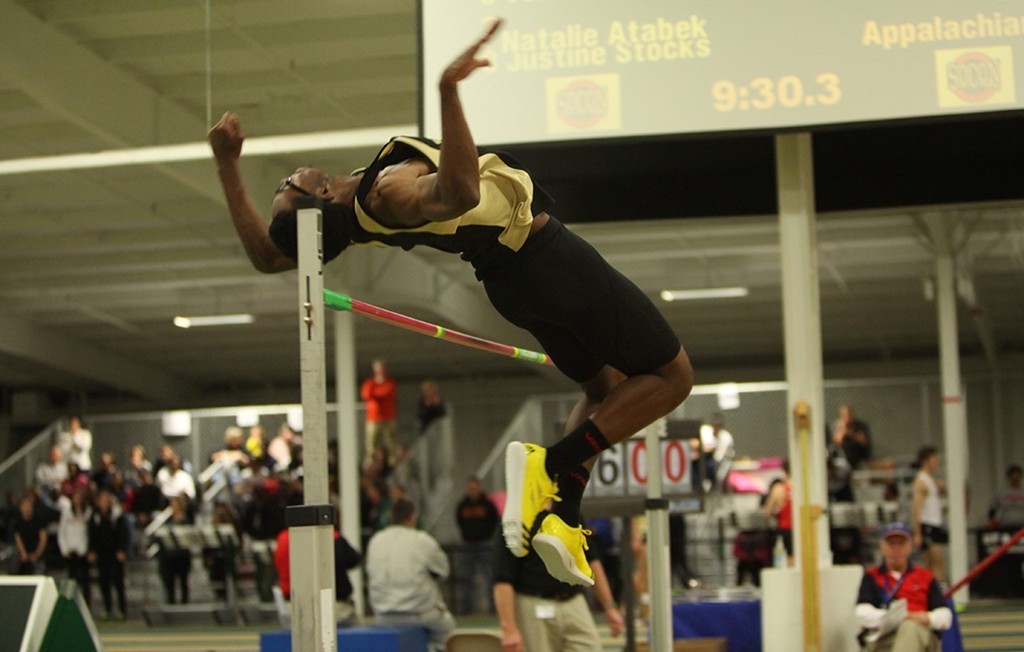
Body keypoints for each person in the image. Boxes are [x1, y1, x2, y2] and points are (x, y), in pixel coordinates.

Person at [208, 19, 693, 587]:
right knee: (672, 376)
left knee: (604, 390)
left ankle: (561, 516)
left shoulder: (355, 216)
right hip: (546, 258)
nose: (289, 176)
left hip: (511, 285)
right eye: (286, 183)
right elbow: (459, 192)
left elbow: (269, 256)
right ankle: (551, 465)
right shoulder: (387, 190)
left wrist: (226, 163)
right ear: (316, 192)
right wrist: (447, 91)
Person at [493, 519, 624, 652]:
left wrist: (609, 607)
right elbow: (503, 578)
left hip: (573, 600)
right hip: (533, 603)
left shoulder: (568, 510)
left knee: (590, 645)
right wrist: (509, 629)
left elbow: (589, 558)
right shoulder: (514, 517)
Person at [365, 498, 454, 651]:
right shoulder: (422, 540)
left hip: (382, 615)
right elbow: (443, 572)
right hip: (420, 615)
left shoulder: (375, 540)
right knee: (448, 633)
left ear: (390, 517)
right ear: (413, 517)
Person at [856, 522, 951, 652]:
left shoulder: (925, 577)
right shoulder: (871, 577)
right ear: (882, 547)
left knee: (910, 627)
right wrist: (895, 617)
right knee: (906, 626)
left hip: (920, 633)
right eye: (891, 544)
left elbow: (945, 616)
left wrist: (924, 617)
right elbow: (862, 613)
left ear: (910, 546)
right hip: (884, 637)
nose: (896, 549)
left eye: (901, 543)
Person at [273, 514, 361, 623]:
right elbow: (354, 560)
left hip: (292, 607)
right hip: (333, 607)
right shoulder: (331, 536)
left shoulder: (283, 539)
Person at [454, 475, 500, 614]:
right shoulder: (463, 505)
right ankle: (466, 609)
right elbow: (459, 521)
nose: (473, 490)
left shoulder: (487, 504)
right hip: (468, 545)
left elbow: (495, 521)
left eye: (475, 488)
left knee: (490, 577)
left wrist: (487, 535)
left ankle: (494, 608)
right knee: (466, 578)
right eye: (471, 488)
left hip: (485, 545)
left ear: (479, 488)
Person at [87, 490, 130, 620]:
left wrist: (122, 550)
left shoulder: (117, 515)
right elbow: (91, 535)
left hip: (115, 553)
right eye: (102, 500)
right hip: (102, 553)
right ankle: (107, 609)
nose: (104, 503)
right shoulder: (95, 516)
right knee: (104, 582)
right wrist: (92, 550)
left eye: (106, 500)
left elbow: (124, 534)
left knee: (118, 582)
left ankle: (122, 610)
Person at [912, 447, 947, 584]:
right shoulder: (921, 481)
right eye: (934, 459)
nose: (937, 462)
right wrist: (917, 533)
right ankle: (939, 596)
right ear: (925, 461)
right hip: (928, 525)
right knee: (934, 564)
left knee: (936, 564)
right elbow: (917, 508)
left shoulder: (930, 480)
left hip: (934, 524)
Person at [361, 359, 399, 466]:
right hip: (373, 416)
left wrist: (375, 394)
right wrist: (377, 394)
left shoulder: (390, 382)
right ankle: (370, 459)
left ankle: (393, 459)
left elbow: (387, 392)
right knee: (371, 439)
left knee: (390, 439)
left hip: (388, 416)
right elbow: (366, 395)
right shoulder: (369, 383)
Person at [58, 488, 92, 605]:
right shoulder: (66, 512)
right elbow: (62, 532)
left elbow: (88, 533)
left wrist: (84, 549)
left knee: (85, 581)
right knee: (71, 580)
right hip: (70, 551)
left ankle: (86, 605)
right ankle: (71, 604)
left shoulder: (88, 512)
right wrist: (65, 549)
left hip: (82, 552)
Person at [691, 412, 735, 491]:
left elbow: (720, 455)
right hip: (706, 458)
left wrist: (708, 448)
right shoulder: (706, 431)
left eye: (718, 425)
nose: (716, 427)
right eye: (714, 425)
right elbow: (695, 443)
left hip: (721, 461)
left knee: (718, 474)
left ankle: (716, 489)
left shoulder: (725, 437)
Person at [763, 462, 793, 567]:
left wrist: (776, 511)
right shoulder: (803, 488)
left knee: (787, 560)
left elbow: (767, 512)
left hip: (785, 529)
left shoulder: (779, 489)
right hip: (802, 530)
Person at [13, 495, 48, 574]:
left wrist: (36, 554)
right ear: (20, 507)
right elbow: (18, 539)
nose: (27, 508)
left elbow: (43, 539)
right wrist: (23, 553)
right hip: (23, 557)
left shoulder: (39, 520)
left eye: (29, 506)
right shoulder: (17, 522)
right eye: (24, 506)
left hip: (38, 556)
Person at [988, 464, 1024, 530]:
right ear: (1009, 477)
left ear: (1020, 476)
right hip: (1006, 525)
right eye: (1013, 475)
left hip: (1022, 526)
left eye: (1017, 475)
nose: (1015, 477)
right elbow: (992, 509)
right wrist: (991, 521)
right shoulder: (1002, 493)